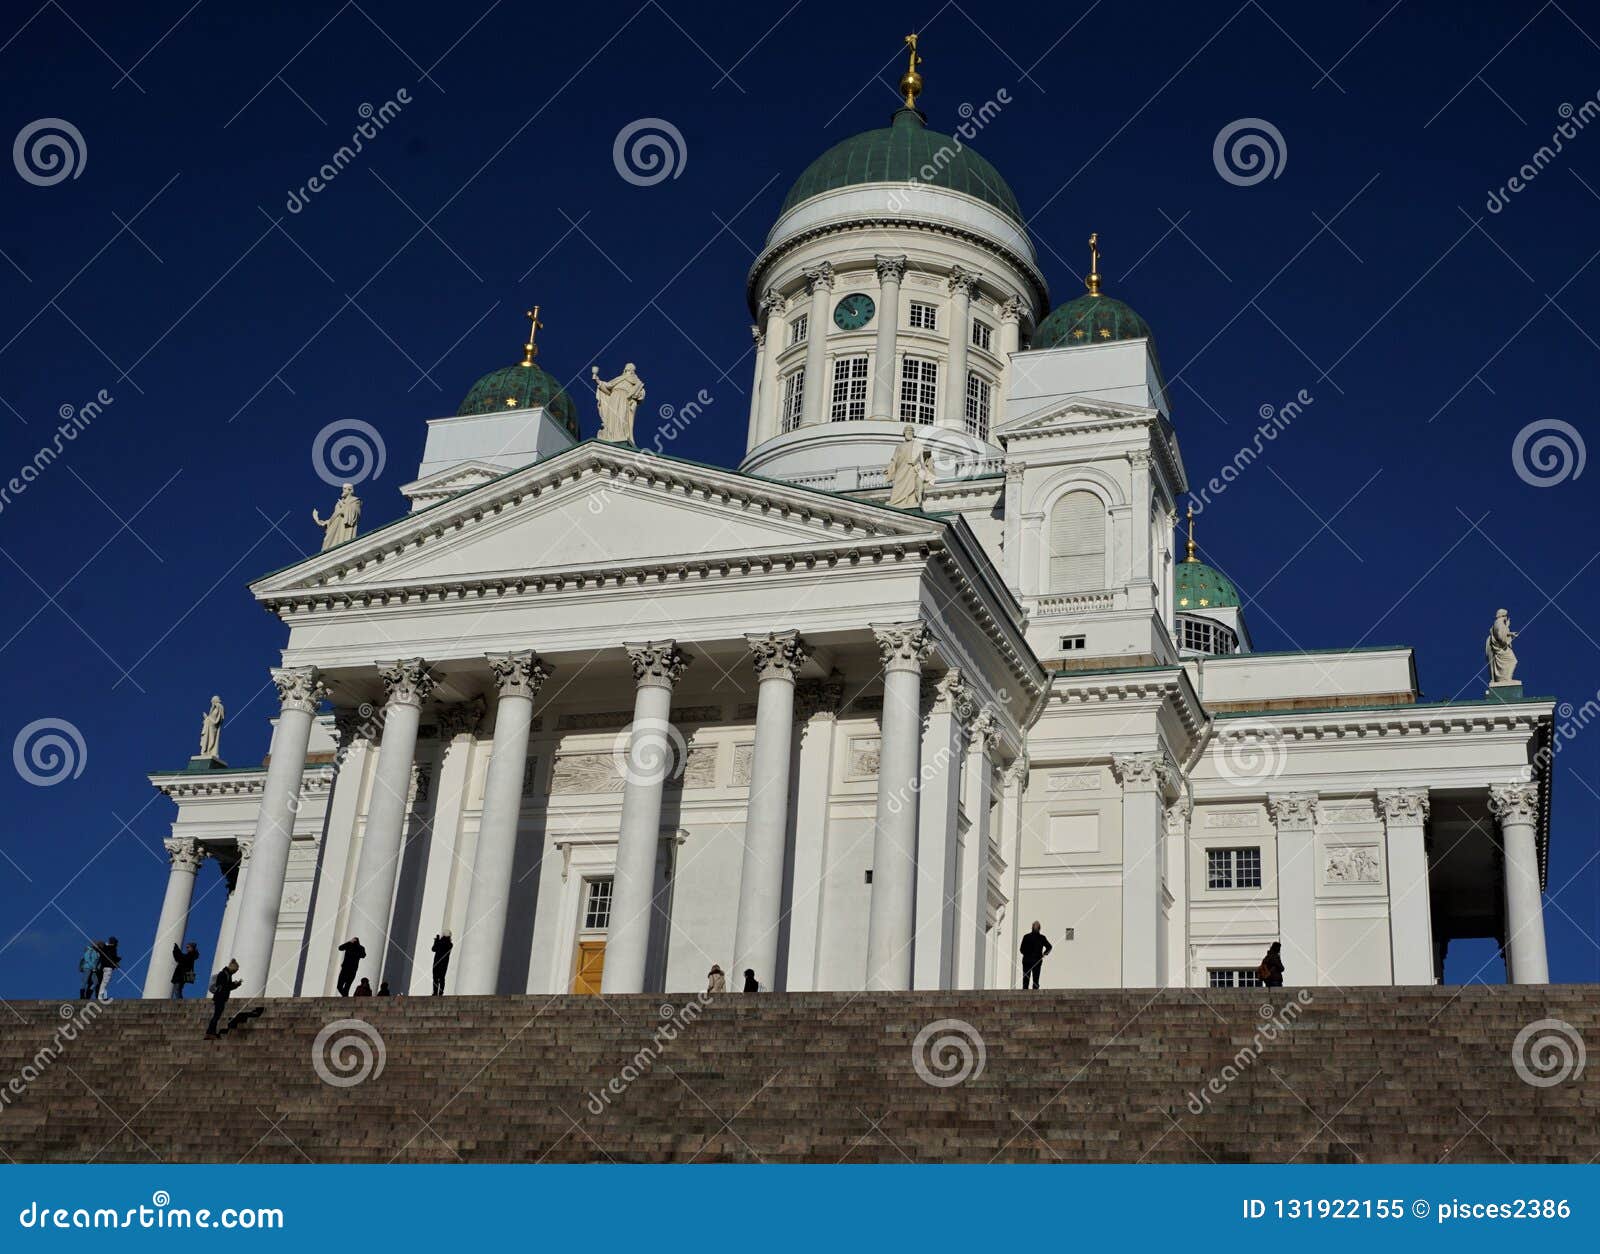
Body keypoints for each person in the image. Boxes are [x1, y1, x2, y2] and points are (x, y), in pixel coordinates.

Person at [205, 960, 241, 1038]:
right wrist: (233, 984)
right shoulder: (223, 974)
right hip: (220, 997)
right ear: (232, 969)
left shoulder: (227, 975)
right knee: (216, 1015)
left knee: (217, 1015)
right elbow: (224, 986)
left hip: (221, 997)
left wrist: (235, 985)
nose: (235, 972)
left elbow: (227, 986)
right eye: (235, 971)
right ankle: (210, 1032)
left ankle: (211, 1032)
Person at [1019, 921, 1052, 990]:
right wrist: (1044, 953)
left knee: (1026, 979)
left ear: (1032, 927)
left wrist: (1027, 954)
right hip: (1036, 960)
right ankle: (1034, 992)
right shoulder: (1042, 937)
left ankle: (1025, 992)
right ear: (1039, 928)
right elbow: (1049, 947)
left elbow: (1021, 949)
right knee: (1035, 980)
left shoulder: (1026, 937)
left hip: (1028, 960)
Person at [430, 931, 453, 996]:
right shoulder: (450, 944)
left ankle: (435, 992)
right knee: (442, 978)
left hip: (437, 962)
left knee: (435, 978)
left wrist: (436, 940)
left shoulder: (439, 943)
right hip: (444, 964)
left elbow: (433, 949)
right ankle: (441, 992)